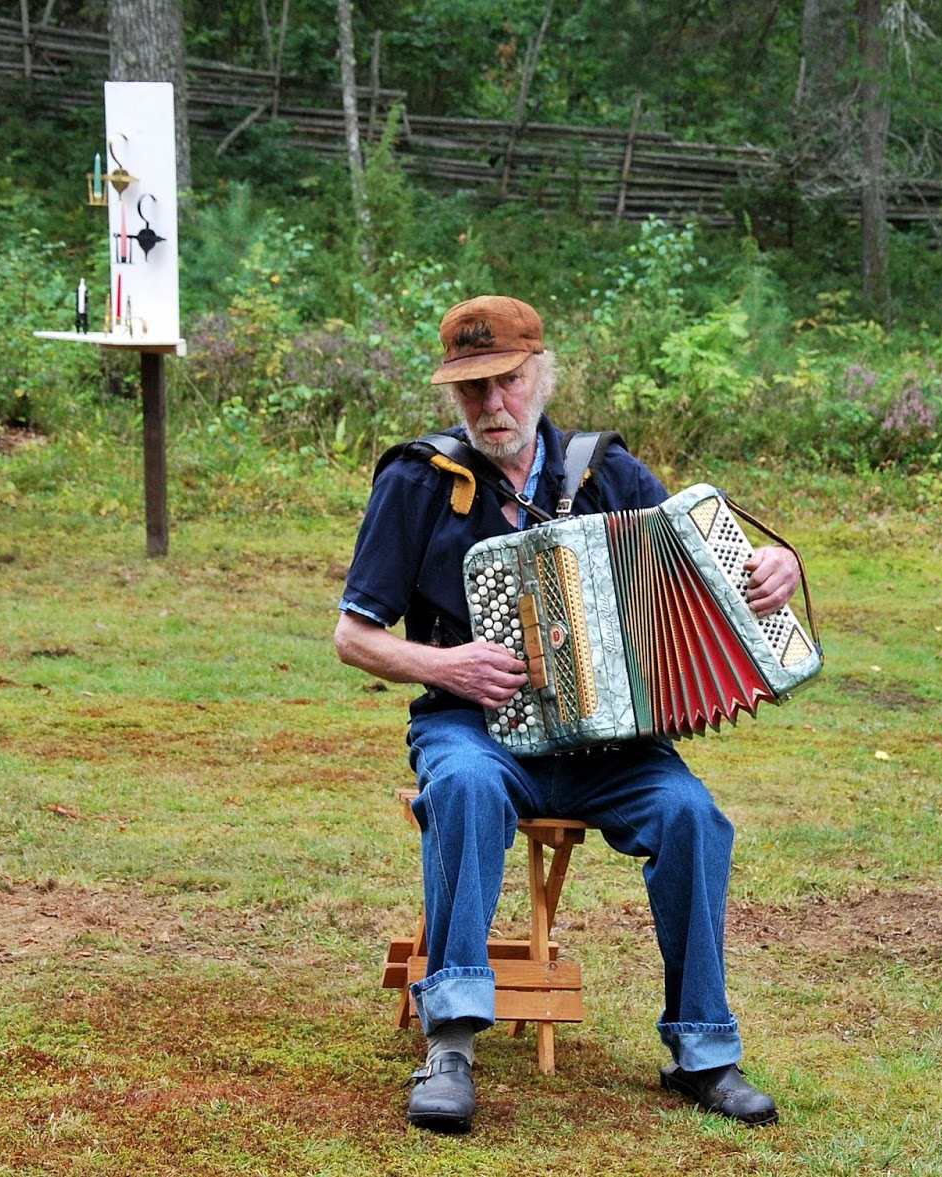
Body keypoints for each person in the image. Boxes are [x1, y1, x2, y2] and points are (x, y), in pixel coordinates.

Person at [333, 295, 800, 1133]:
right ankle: (450, 1046)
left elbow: (711, 562)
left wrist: (779, 564)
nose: (491, 407)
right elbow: (353, 636)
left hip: (611, 748)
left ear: (541, 373)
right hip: (472, 725)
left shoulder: (602, 471)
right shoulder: (418, 480)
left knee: (693, 813)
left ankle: (705, 1052)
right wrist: (450, 665)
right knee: (468, 787)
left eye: (506, 382)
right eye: (471, 391)